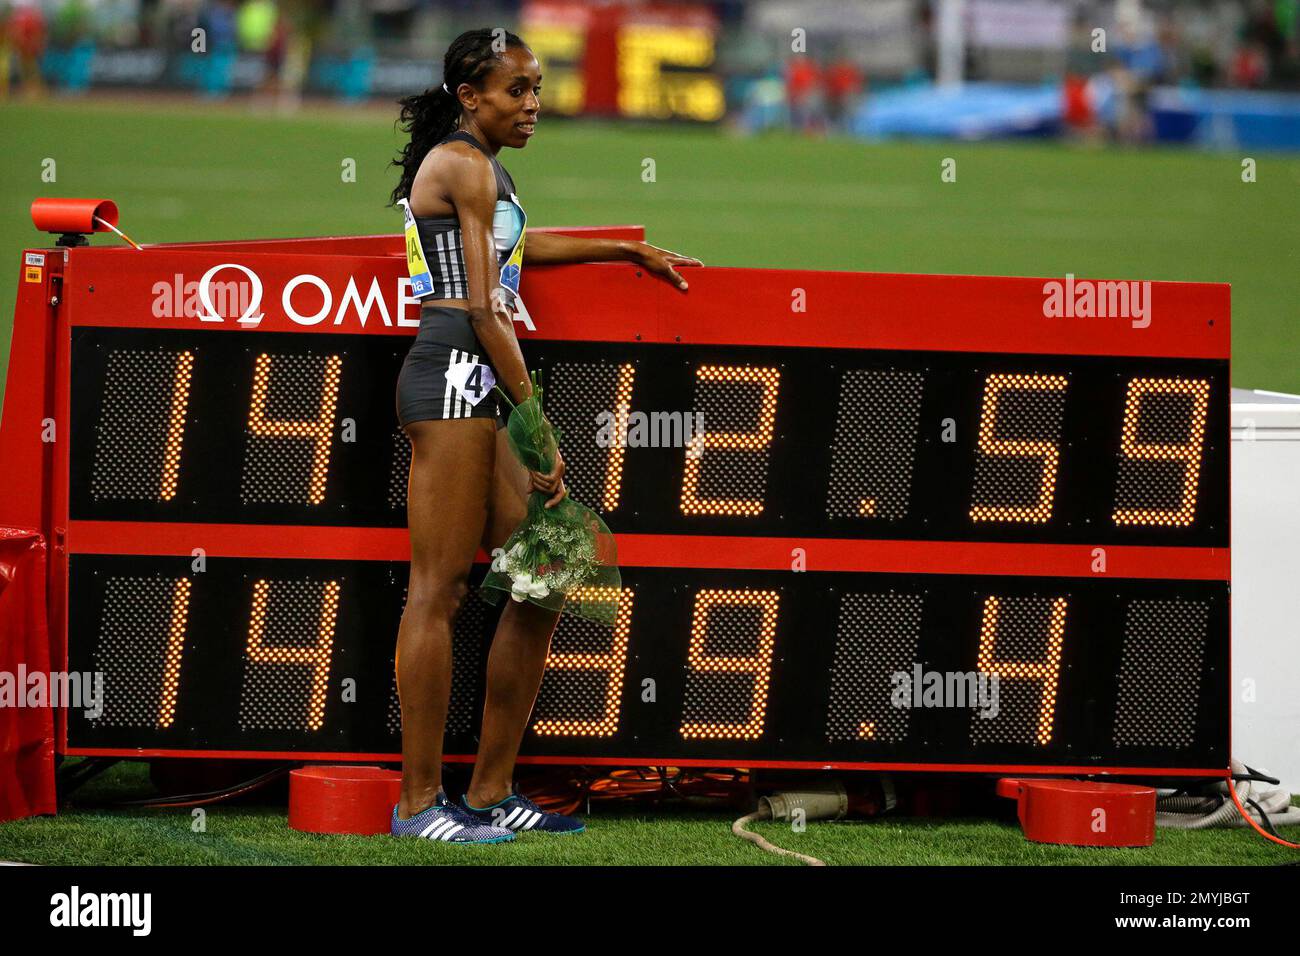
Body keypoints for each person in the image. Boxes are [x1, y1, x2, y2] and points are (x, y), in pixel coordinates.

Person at [387, 27, 700, 844]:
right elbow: (486, 308)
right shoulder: (461, 164)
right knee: (441, 589)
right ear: (470, 96)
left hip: (475, 377)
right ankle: (420, 806)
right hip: (454, 377)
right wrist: (539, 432)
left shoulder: (484, 169)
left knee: (547, 568)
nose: (534, 105)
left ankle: (489, 794)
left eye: (537, 88)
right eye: (516, 90)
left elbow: (518, 251)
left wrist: (622, 249)